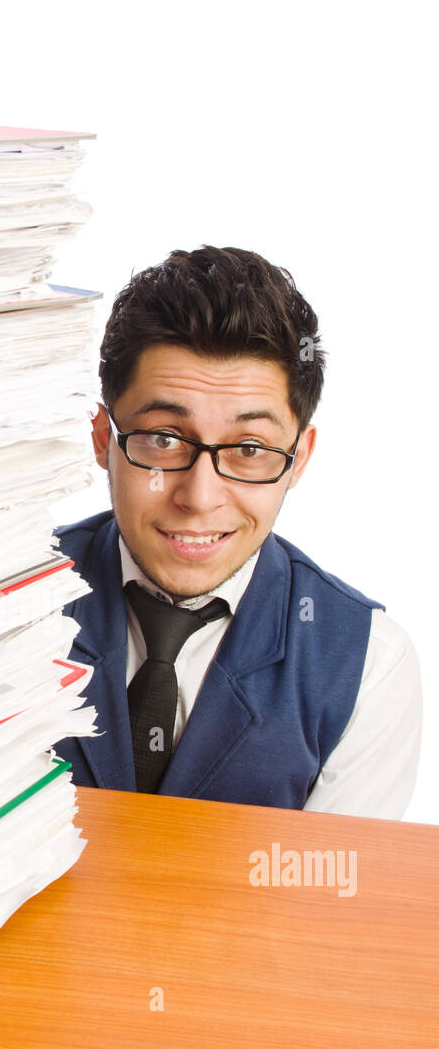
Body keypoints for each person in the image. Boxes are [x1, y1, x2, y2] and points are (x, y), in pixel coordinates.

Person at [54, 246, 421, 816]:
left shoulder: (369, 664)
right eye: (163, 439)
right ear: (104, 437)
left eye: (249, 449)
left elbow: (327, 902)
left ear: (298, 459)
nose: (199, 498)